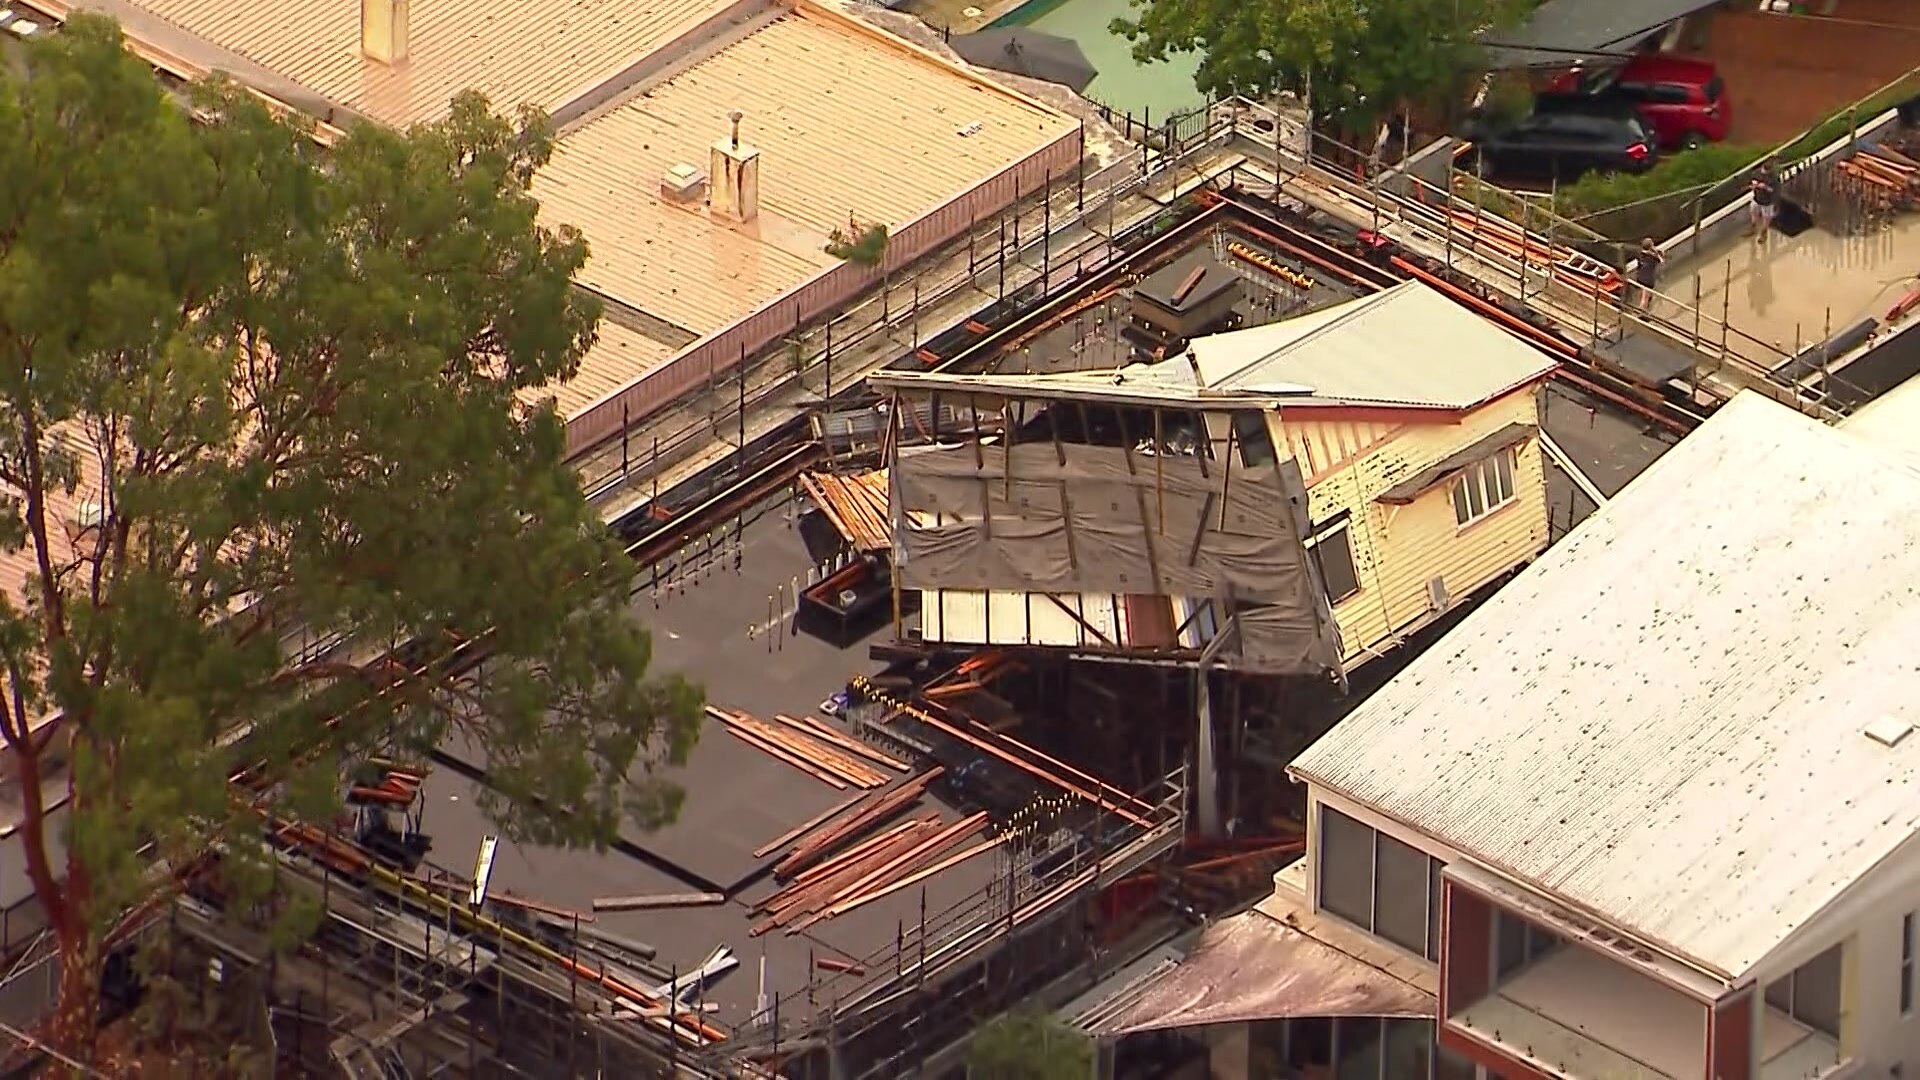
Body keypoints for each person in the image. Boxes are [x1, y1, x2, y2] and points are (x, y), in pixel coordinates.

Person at [1749, 159, 1780, 240]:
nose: (1763, 173)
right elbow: (1752, 182)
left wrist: (1765, 187)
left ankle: (1764, 234)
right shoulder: (1756, 173)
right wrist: (1754, 185)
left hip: (1767, 202)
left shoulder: (1773, 178)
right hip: (1757, 199)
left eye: (1766, 172)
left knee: (1766, 218)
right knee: (1753, 213)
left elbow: (1774, 190)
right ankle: (1753, 229)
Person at [1632, 237, 1663, 312]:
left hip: (1640, 276)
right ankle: (1642, 310)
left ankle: (1640, 307)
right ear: (1651, 246)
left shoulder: (1639, 254)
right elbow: (1661, 261)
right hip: (1648, 279)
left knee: (1642, 293)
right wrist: (1656, 252)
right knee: (1646, 296)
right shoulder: (1653, 257)